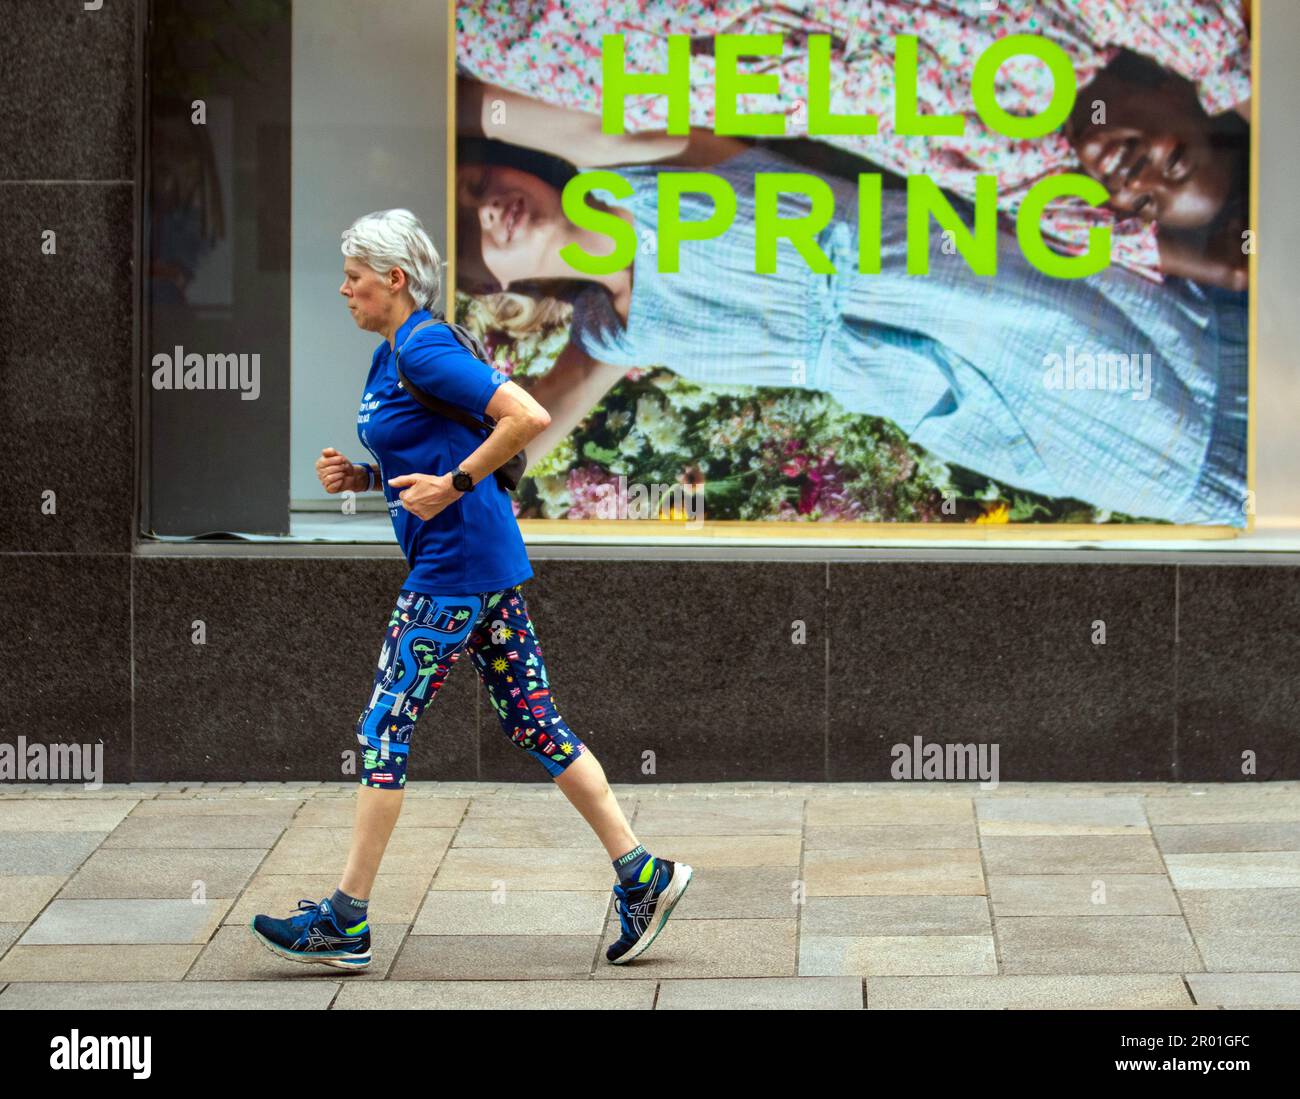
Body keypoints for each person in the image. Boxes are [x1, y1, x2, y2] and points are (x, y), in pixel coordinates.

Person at [455, 91, 1247, 527]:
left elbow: (489, 105)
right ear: (492, 288)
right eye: (468, 230)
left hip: (948, 274)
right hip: (929, 394)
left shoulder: (648, 166)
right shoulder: (615, 333)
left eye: (475, 180)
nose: (487, 204)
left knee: (1161, 369)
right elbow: (524, 437)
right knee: (1163, 463)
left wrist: (416, 98)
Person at [249, 209, 691, 970]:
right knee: (534, 721)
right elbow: (432, 442)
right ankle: (643, 874)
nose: (344, 289)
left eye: (355, 276)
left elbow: (526, 415)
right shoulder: (392, 352)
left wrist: (453, 486)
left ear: (394, 280)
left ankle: (346, 920)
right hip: (480, 564)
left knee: (384, 727)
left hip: (452, 568)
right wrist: (365, 477)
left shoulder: (423, 345)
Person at [455, 0, 1251, 285]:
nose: (1130, 178)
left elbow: (1176, 255)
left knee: (480, 33)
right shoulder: (1091, 25)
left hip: (698, 59)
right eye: (1170, 159)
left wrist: (1229, 263)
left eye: (1140, 201)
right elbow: (1234, 57)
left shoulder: (1026, 169)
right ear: (1186, 92)